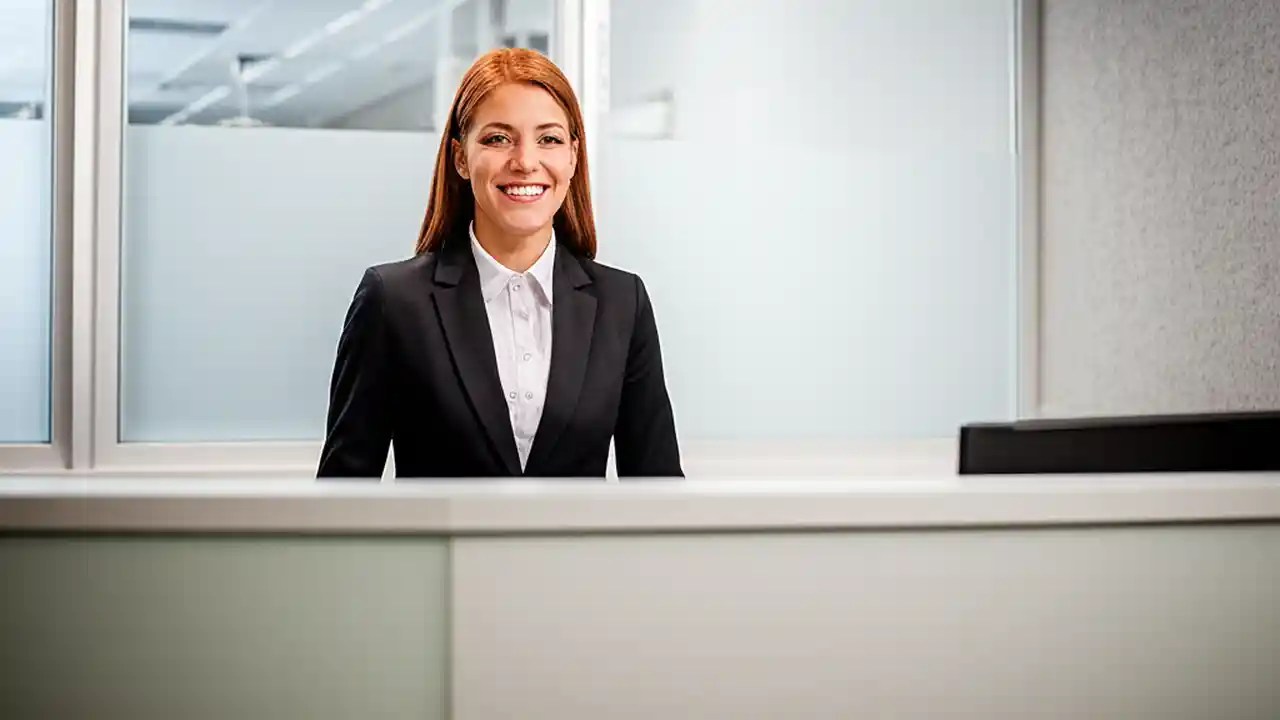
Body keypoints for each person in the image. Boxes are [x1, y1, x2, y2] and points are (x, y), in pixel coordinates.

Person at [317, 48, 682, 479]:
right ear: (460, 157)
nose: (526, 162)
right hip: (444, 549)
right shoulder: (394, 301)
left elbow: (658, 489)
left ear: (572, 156)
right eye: (498, 139)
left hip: (577, 550)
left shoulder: (622, 303)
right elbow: (343, 495)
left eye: (549, 139)